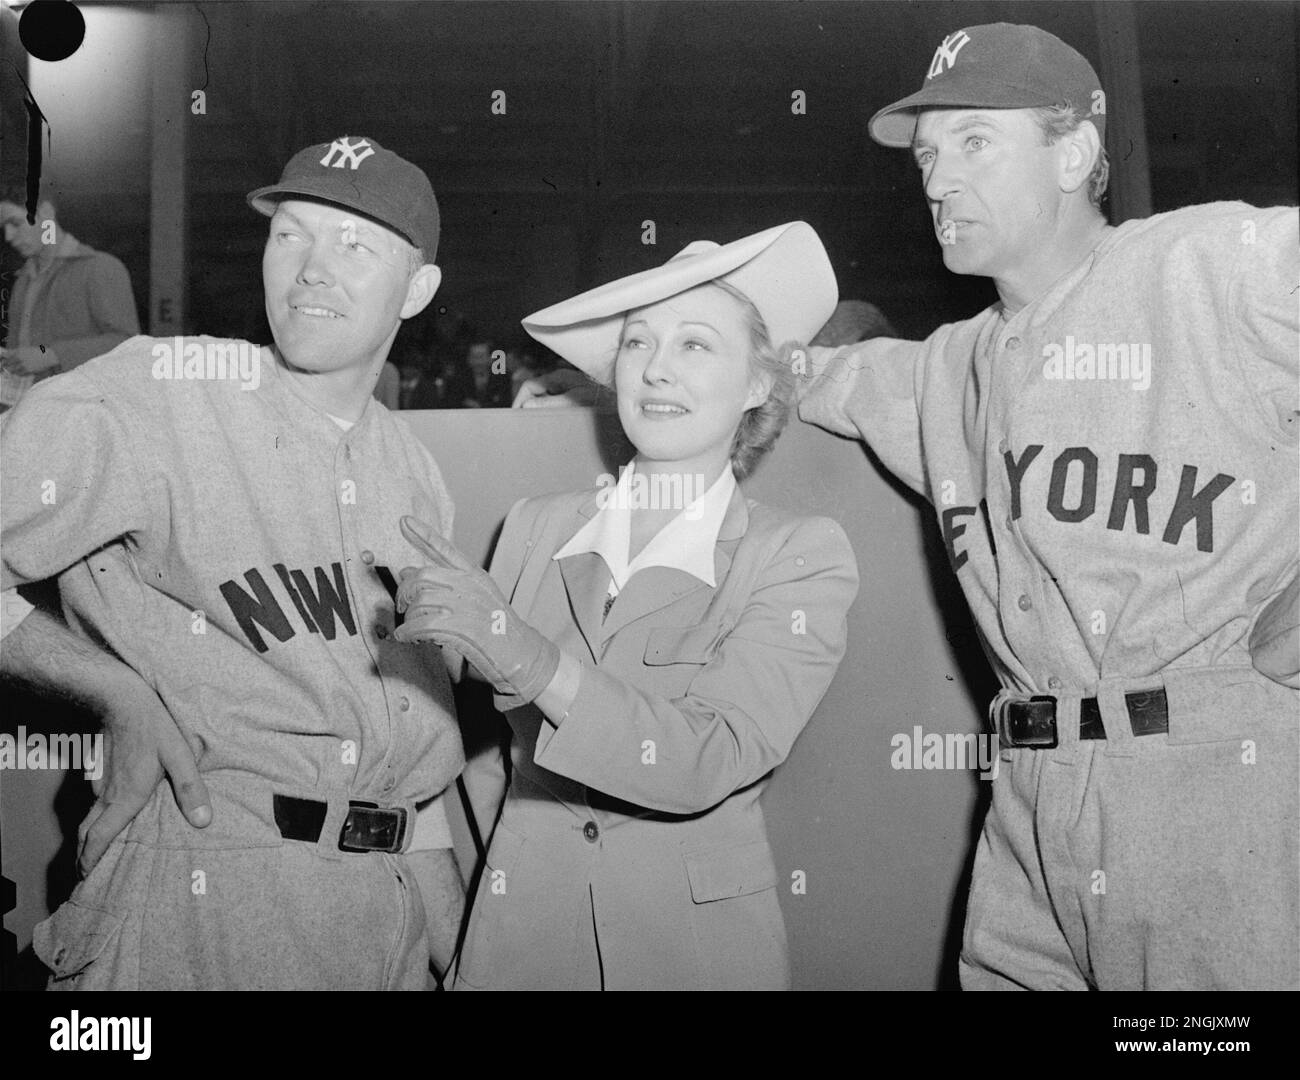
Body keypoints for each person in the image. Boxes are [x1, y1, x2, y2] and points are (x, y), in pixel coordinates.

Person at [792, 23, 1297, 989]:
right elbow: (802, 376)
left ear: (1075, 154)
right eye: (930, 156)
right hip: (1028, 808)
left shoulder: (1211, 266)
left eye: (975, 141)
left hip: (1216, 790)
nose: (937, 180)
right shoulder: (950, 367)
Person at [0, 136, 466, 989]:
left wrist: (460, 965)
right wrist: (113, 689)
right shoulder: (157, 394)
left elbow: (413, 778)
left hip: (383, 918)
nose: (313, 268)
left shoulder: (415, 473)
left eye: (355, 245)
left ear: (420, 288)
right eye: (291, 234)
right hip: (204, 900)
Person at [393, 222, 860, 990]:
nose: (656, 371)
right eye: (639, 344)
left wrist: (527, 655)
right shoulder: (536, 526)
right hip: (519, 951)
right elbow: (479, 765)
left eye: (695, 345)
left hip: (693, 960)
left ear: (756, 385)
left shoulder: (797, 554)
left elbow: (709, 755)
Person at [0, 185, 140, 409]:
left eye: (15, 223)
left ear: (46, 212)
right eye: (4, 227)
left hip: (84, 418)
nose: (8, 236)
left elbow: (126, 343)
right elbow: (25, 355)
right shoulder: (23, 280)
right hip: (31, 416)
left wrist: (50, 354)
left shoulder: (100, 268)